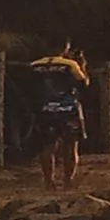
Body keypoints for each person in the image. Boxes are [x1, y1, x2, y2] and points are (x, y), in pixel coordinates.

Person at [31, 45, 89, 192]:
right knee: (71, 146)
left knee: (47, 147)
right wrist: (82, 66)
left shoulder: (34, 65)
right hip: (68, 110)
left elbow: (29, 88)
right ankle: (67, 182)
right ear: (64, 47)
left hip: (45, 110)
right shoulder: (69, 64)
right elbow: (83, 84)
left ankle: (48, 182)